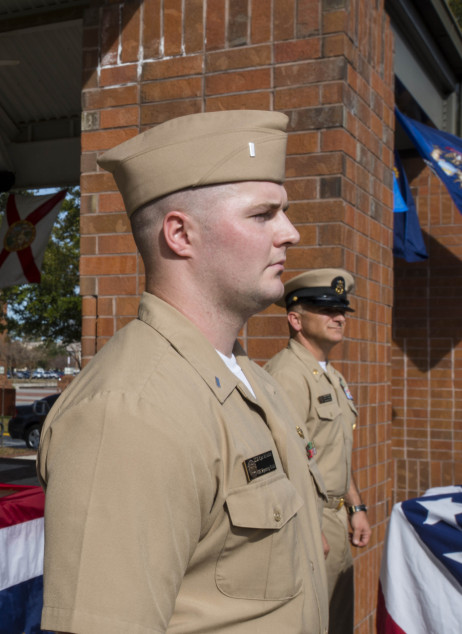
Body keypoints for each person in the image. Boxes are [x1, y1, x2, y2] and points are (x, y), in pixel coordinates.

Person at [38, 110, 330, 633]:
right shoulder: (130, 414)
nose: (290, 232)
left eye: (283, 212)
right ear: (180, 235)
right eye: (263, 214)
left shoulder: (253, 380)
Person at [265, 268, 371, 633]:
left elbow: (331, 452)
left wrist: (355, 506)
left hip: (337, 518)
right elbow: (281, 460)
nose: (339, 317)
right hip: (311, 522)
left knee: (338, 622)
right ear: (295, 318)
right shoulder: (287, 375)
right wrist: (310, 527)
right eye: (326, 310)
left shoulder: (332, 376)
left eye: (341, 310)